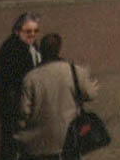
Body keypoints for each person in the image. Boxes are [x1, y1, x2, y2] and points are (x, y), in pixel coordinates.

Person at [15, 31, 98, 160]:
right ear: (59, 51)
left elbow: (24, 111)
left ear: (41, 52)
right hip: (69, 139)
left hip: (39, 144)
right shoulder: (74, 71)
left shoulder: (31, 78)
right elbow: (90, 94)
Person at [0, 13, 43, 160]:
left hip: (23, 103)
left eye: (35, 31)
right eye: (28, 31)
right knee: (12, 143)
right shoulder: (12, 50)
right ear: (17, 31)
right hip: (14, 104)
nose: (32, 34)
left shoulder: (31, 46)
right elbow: (16, 80)